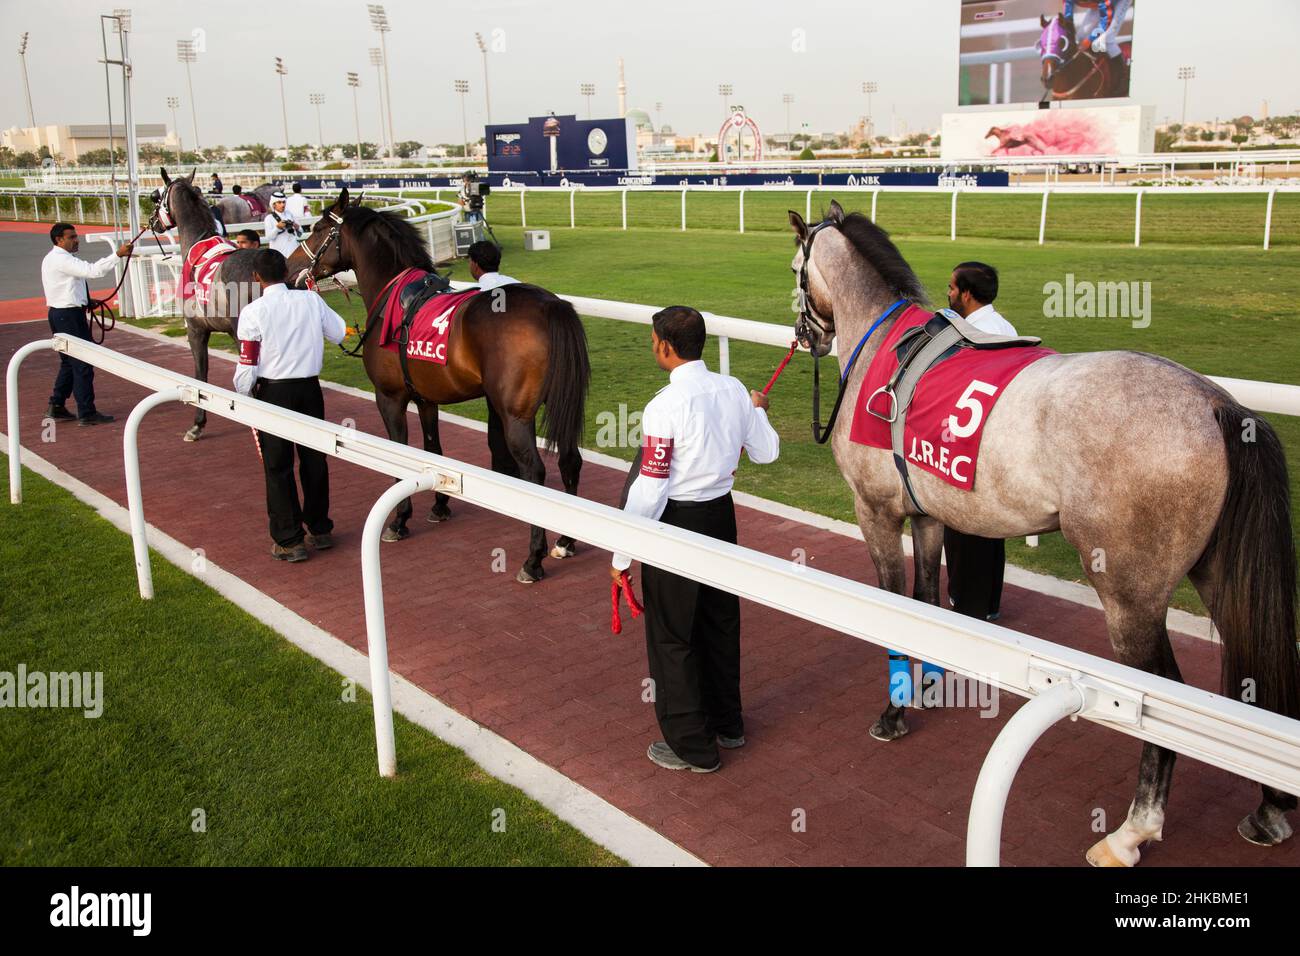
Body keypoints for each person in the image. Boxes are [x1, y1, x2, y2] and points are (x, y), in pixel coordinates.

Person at [613, 306, 780, 773]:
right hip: (721, 521)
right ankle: (729, 725)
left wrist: (622, 554)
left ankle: (692, 746)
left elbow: (650, 486)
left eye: (653, 341)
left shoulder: (662, 406)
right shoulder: (733, 390)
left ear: (665, 346)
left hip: (677, 525)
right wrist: (758, 411)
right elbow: (766, 453)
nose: (652, 347)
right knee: (720, 623)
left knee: (672, 637)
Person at [233, 249, 347, 562]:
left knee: (278, 467)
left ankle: (289, 539)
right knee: (314, 461)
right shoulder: (311, 300)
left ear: (256, 278)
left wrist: (242, 394)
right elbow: (339, 333)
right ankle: (320, 529)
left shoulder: (253, 312)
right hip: (310, 389)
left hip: (273, 394)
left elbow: (247, 365)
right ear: (285, 272)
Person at [943, 260, 1012, 621]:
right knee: (990, 529)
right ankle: (988, 603)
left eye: (952, 288)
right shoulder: (1002, 326)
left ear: (967, 294)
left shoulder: (970, 334)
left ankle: (967, 605)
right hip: (991, 440)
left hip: (971, 443)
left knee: (965, 525)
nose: (948, 292)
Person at [41, 222, 133, 425]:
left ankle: (56, 405)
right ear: (59, 240)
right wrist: (117, 255)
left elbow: (68, 285)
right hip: (68, 316)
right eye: (72, 237)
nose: (76, 240)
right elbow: (93, 271)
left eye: (76, 236)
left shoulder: (56, 258)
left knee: (68, 363)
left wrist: (85, 300)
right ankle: (86, 412)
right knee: (82, 363)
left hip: (62, 313)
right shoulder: (61, 259)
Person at [1065, 0, 1131, 59]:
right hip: (1101, 3)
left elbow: (1105, 22)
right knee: (1081, 37)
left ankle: (1122, 71)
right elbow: (1068, 17)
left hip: (1120, 1)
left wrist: (1089, 40)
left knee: (1107, 39)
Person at [263, 191, 300, 258]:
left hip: (293, 249)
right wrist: (277, 228)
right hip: (279, 252)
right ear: (274, 204)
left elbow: (300, 234)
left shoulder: (290, 214)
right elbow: (268, 237)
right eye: (279, 202)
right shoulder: (269, 218)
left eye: (283, 202)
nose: (282, 205)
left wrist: (297, 227)